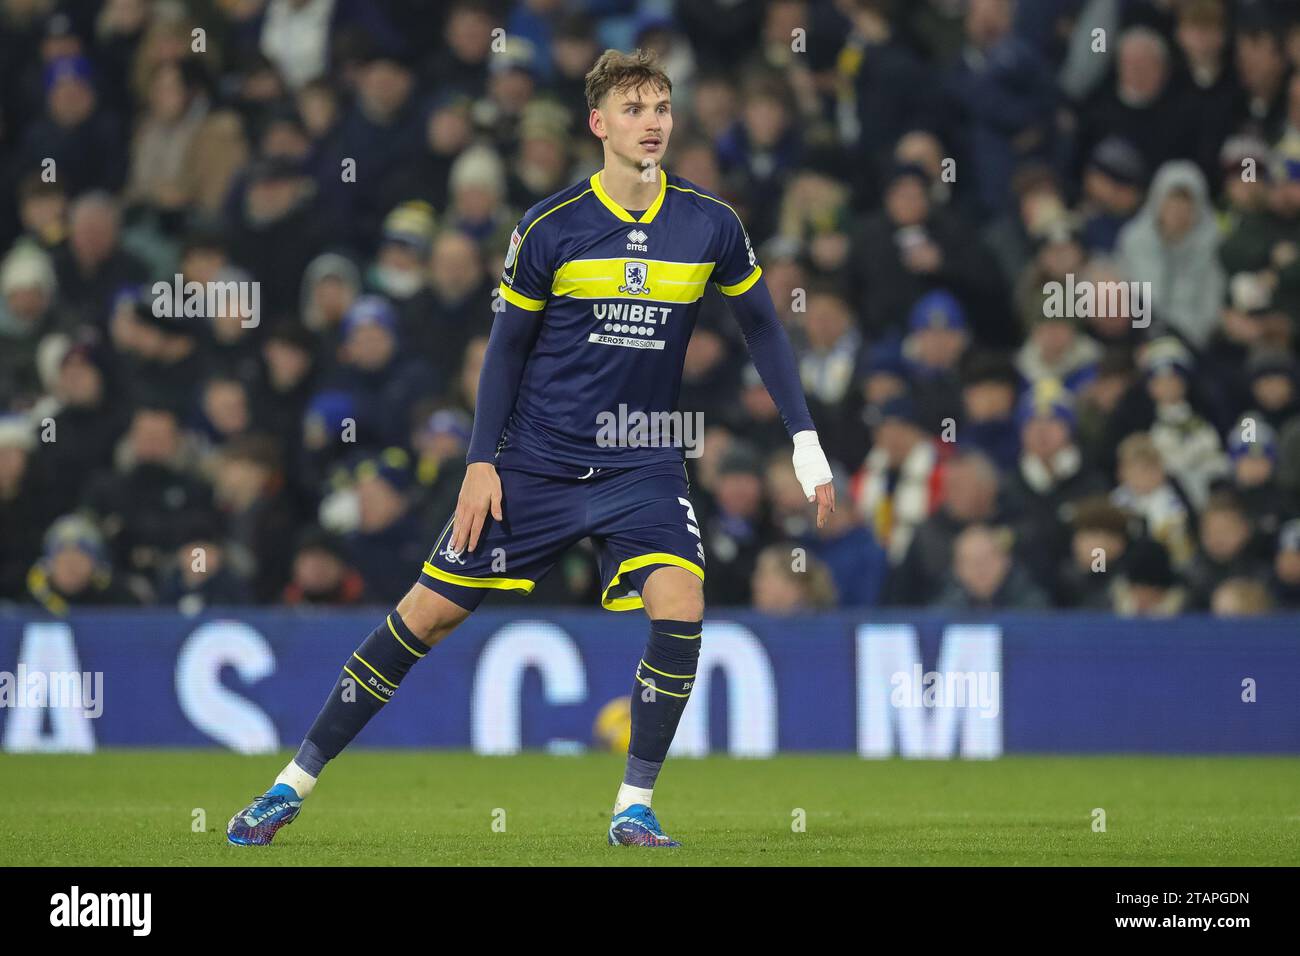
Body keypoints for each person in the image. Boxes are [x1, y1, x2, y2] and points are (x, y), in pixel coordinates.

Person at [227, 49, 833, 850]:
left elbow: (760, 324)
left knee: (681, 603)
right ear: (598, 124)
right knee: (426, 616)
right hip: (536, 462)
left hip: (642, 459)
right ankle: (288, 787)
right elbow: (506, 349)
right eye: (633, 109)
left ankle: (633, 808)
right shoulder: (551, 226)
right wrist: (481, 463)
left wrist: (806, 441)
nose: (651, 123)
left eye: (661, 108)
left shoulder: (710, 223)